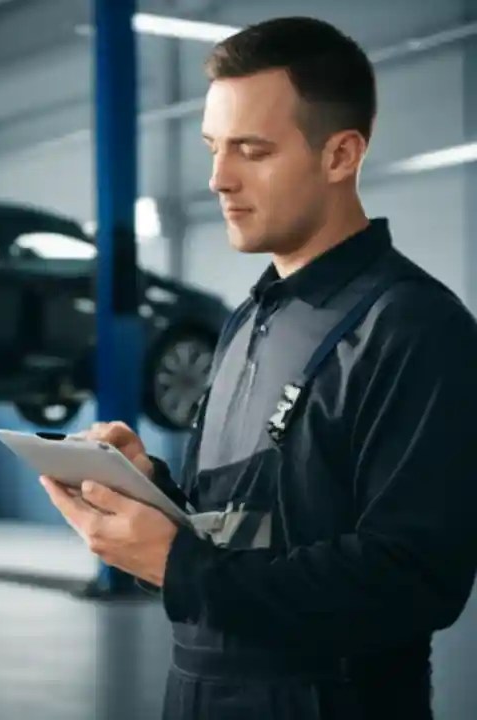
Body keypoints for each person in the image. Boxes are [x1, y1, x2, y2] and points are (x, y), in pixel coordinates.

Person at [39, 16, 477, 720]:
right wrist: (150, 490)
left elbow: (415, 579)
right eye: (214, 147)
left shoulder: (413, 327)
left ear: (340, 155)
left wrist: (179, 567)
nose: (219, 178)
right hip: (198, 694)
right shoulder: (248, 321)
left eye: (253, 150)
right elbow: (246, 525)